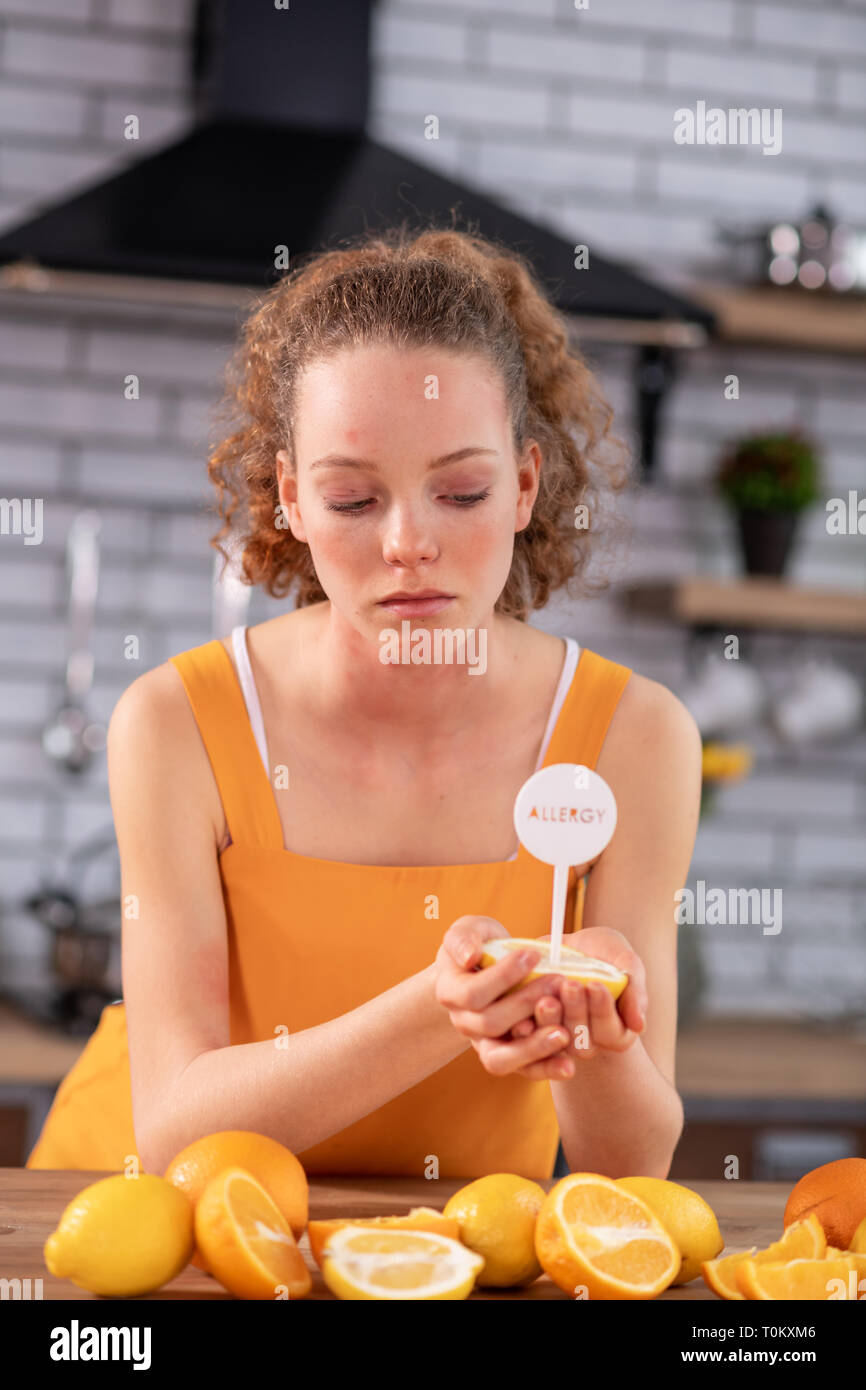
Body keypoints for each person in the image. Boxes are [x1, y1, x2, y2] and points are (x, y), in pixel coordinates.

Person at [26, 223, 701, 1182]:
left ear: (522, 485)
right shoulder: (177, 721)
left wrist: (596, 1033)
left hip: (444, 1254)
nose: (407, 544)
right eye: (352, 501)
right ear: (292, 503)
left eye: (461, 492)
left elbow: (630, 1170)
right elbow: (176, 1129)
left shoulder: (635, 737)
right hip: (154, 1230)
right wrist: (443, 1007)